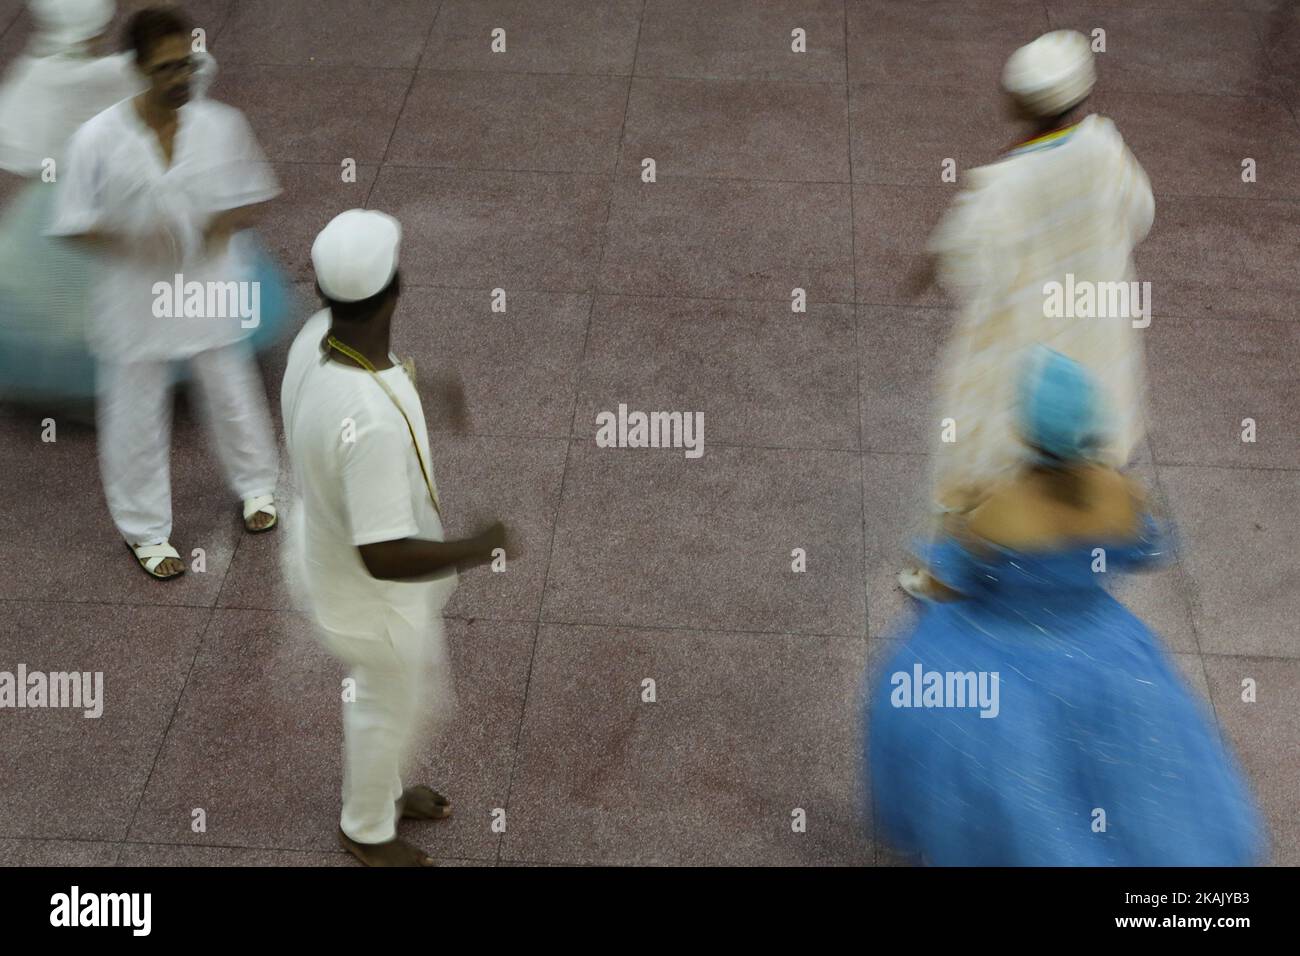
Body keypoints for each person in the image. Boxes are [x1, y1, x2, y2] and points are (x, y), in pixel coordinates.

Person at [867, 348, 1264, 866]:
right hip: (1101, 645)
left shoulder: (997, 509)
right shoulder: (1121, 495)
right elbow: (1149, 549)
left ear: (1028, 432)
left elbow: (951, 583)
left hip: (1001, 655)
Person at [280, 209, 507, 867]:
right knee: (393, 707)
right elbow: (385, 556)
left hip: (322, 556)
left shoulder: (316, 337)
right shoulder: (370, 426)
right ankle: (367, 829)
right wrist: (479, 545)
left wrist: (417, 384)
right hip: (371, 602)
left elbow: (363, 378)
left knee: (399, 702)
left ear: (326, 295)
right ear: (397, 288)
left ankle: (384, 790)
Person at [48, 5, 281, 579]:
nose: (182, 77)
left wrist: (217, 225)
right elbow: (73, 223)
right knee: (135, 414)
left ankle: (257, 488)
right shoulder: (96, 140)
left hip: (206, 289)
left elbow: (252, 195)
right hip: (133, 300)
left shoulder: (220, 123)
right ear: (137, 69)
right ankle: (146, 532)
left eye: (187, 63)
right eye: (167, 68)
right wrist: (132, 239)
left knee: (230, 390)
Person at [924, 29, 1154, 519]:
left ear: (1020, 105)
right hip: (1094, 334)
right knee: (1083, 455)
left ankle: (961, 565)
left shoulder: (1004, 185)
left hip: (1023, 347)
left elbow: (964, 266)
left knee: (992, 461)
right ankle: (1071, 555)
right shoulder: (1105, 147)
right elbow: (1141, 213)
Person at [0, 0, 218, 411]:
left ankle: (54, 380)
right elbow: (193, 70)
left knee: (52, 301)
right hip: (97, 198)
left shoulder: (37, 70)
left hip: (51, 201)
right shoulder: (96, 76)